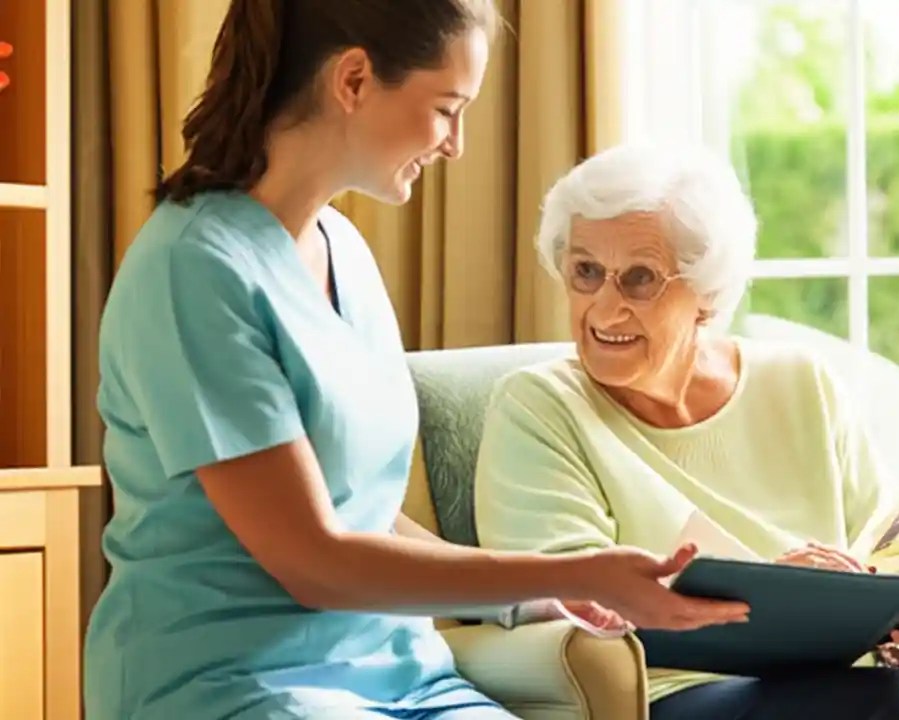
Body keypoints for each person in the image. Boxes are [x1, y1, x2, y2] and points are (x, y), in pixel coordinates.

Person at [83, 3, 749, 719]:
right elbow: (314, 560)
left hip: (403, 680)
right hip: (233, 685)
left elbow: (360, 508)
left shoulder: (345, 252)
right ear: (355, 80)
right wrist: (582, 568)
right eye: (445, 108)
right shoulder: (195, 269)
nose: (455, 145)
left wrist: (538, 595)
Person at [473, 144, 899, 720]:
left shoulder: (798, 381)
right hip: (675, 692)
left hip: (848, 674)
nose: (604, 308)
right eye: (585, 271)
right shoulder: (538, 406)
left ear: (706, 296)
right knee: (883, 708)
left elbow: (882, 549)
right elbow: (575, 602)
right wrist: (773, 593)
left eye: (639, 279)